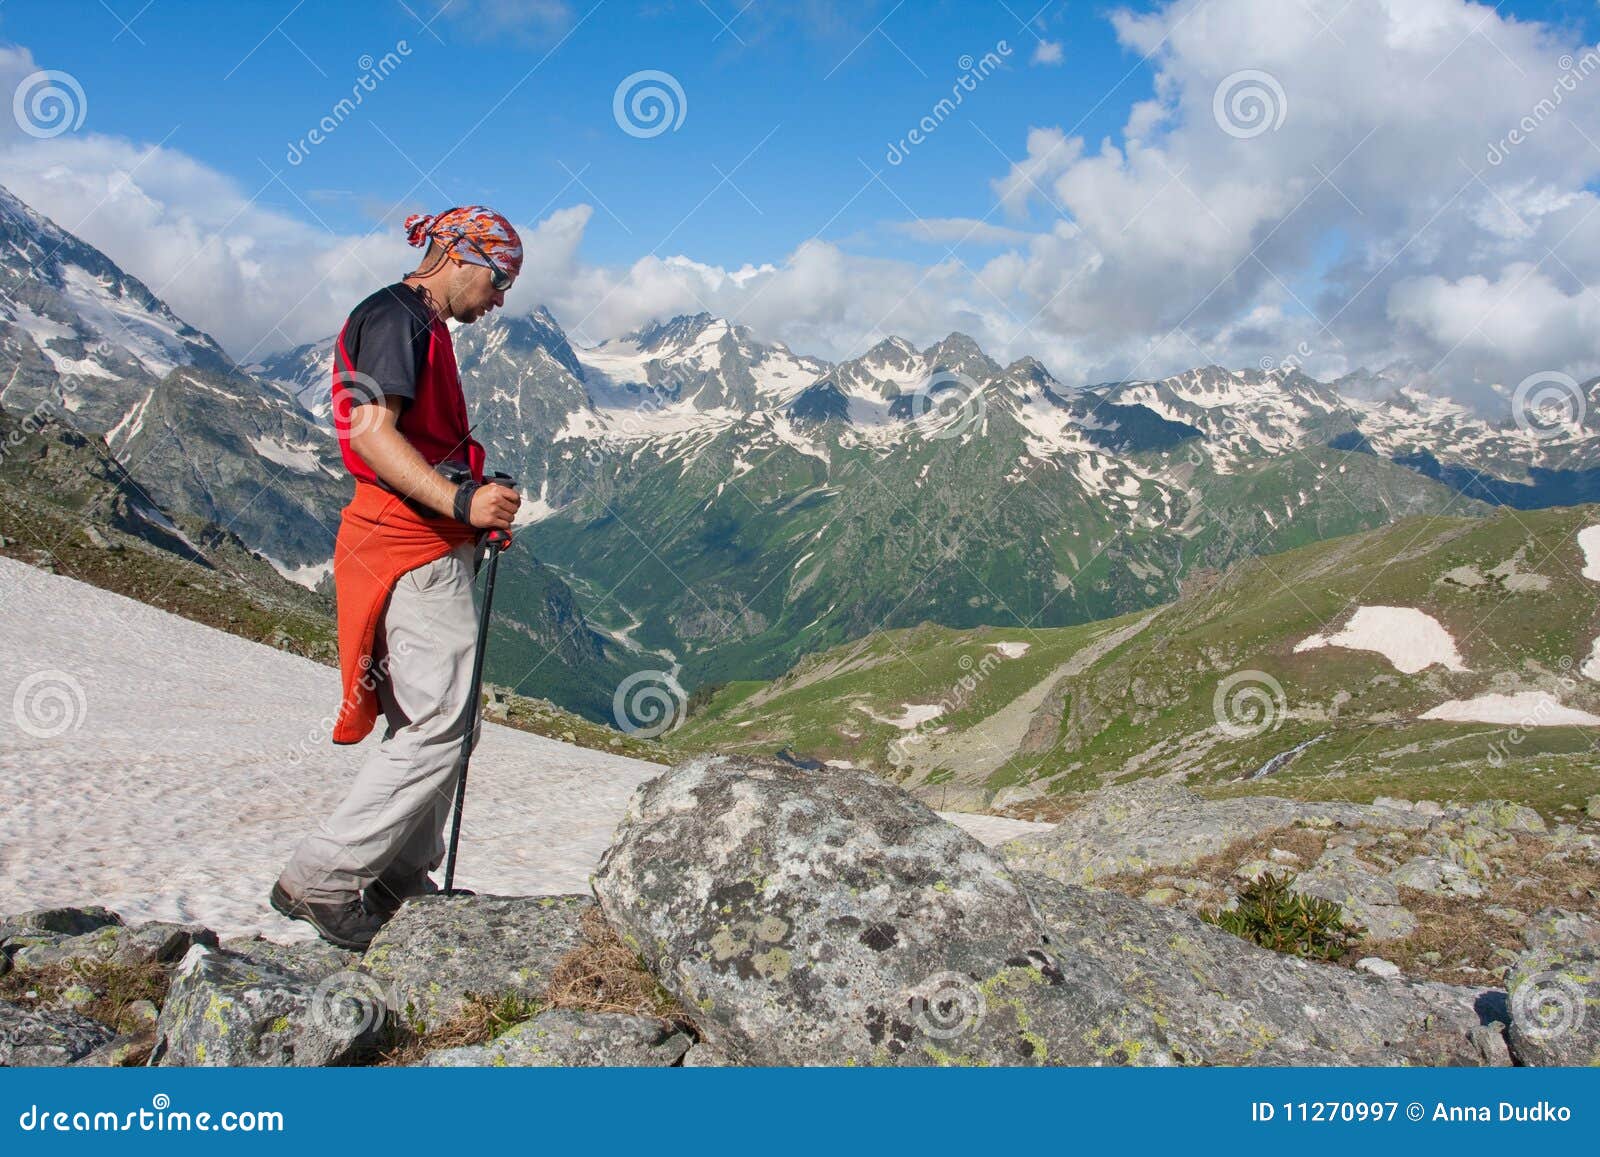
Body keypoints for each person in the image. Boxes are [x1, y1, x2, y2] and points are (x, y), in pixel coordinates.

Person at [271, 205, 524, 950]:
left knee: (444, 721)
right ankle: (322, 876)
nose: (500, 298)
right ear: (458, 255)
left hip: (422, 540)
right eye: (499, 278)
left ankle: (399, 876)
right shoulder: (398, 320)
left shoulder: (416, 325)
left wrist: (471, 505)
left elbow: (404, 437)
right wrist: (458, 499)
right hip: (412, 547)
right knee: (440, 723)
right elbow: (371, 434)